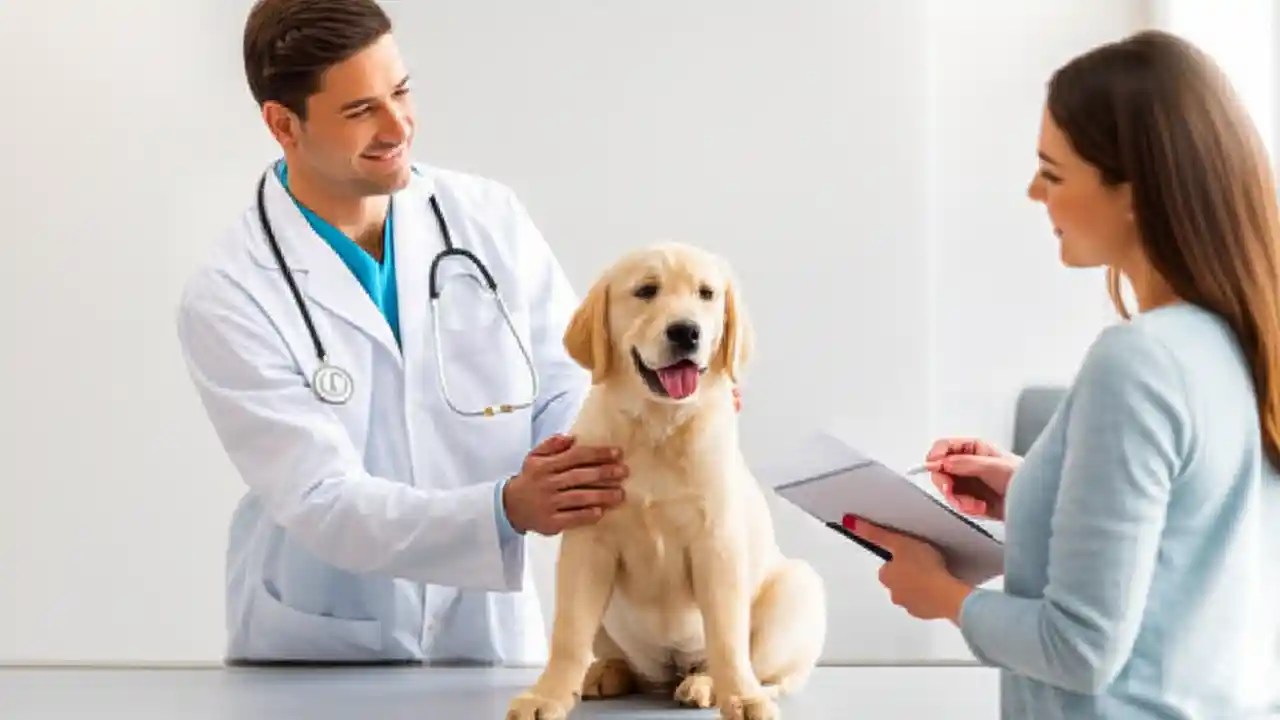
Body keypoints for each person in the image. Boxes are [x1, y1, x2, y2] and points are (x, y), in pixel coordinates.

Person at [175, 0, 632, 665]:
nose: (399, 126)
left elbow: (564, 381)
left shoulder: (487, 218)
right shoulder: (231, 292)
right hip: (322, 640)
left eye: (401, 91)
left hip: (487, 635)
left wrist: (639, 411)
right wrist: (506, 509)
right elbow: (322, 499)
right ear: (283, 125)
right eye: (361, 110)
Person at [845, 30, 1280, 718]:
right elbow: (1190, 541)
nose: (1032, 192)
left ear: (1134, 191)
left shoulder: (1140, 360)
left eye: (1052, 173)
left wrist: (946, 598)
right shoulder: (1241, 341)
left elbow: (1080, 649)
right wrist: (1035, 491)